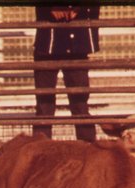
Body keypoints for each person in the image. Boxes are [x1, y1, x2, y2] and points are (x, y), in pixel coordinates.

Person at [33, 5, 100, 142]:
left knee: (80, 102)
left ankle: (87, 147)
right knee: (44, 103)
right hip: (48, 43)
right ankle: (41, 149)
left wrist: (77, 8)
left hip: (77, 44)